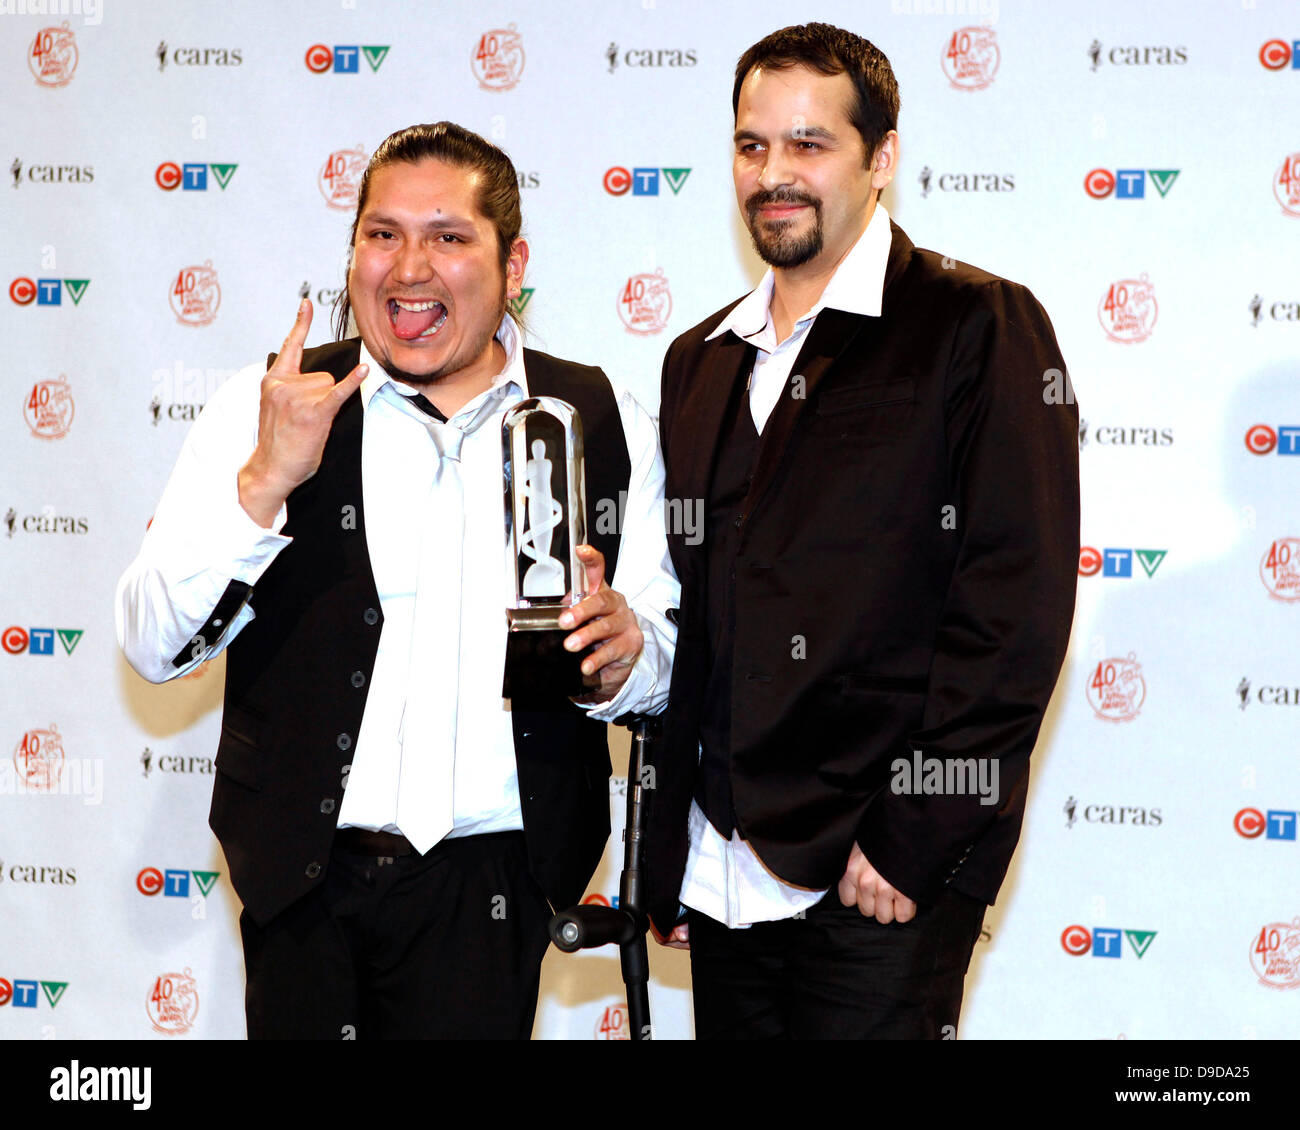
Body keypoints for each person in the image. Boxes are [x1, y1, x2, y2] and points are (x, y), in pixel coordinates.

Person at [116, 121, 678, 1040]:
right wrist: (264, 483)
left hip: (494, 889)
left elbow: (663, 654)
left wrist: (626, 659)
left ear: (513, 261)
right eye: (382, 235)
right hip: (302, 883)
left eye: (449, 237)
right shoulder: (273, 403)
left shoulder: (602, 418)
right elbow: (150, 646)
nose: (409, 267)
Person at [644, 24, 1079, 1039]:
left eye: (808, 144)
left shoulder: (978, 324)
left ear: (880, 158)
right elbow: (703, 619)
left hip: (879, 872)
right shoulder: (697, 360)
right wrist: (679, 844)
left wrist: (910, 834)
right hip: (725, 874)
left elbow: (1011, 611)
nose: (773, 174)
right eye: (752, 146)